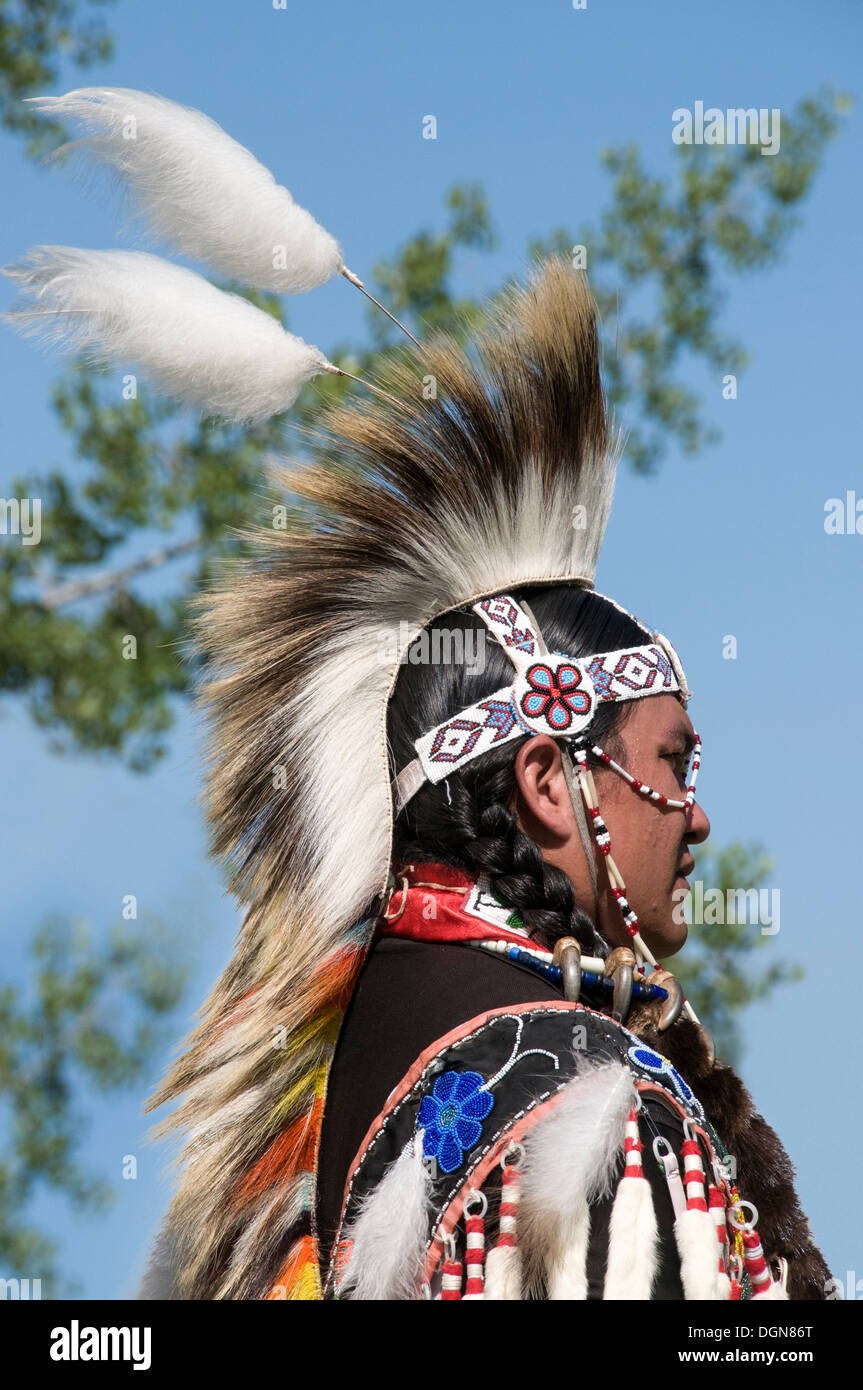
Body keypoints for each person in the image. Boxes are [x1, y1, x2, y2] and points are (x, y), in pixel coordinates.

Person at [3, 86, 830, 1301]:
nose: (693, 814)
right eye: (672, 760)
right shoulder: (586, 1107)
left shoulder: (359, 1092)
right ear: (546, 779)